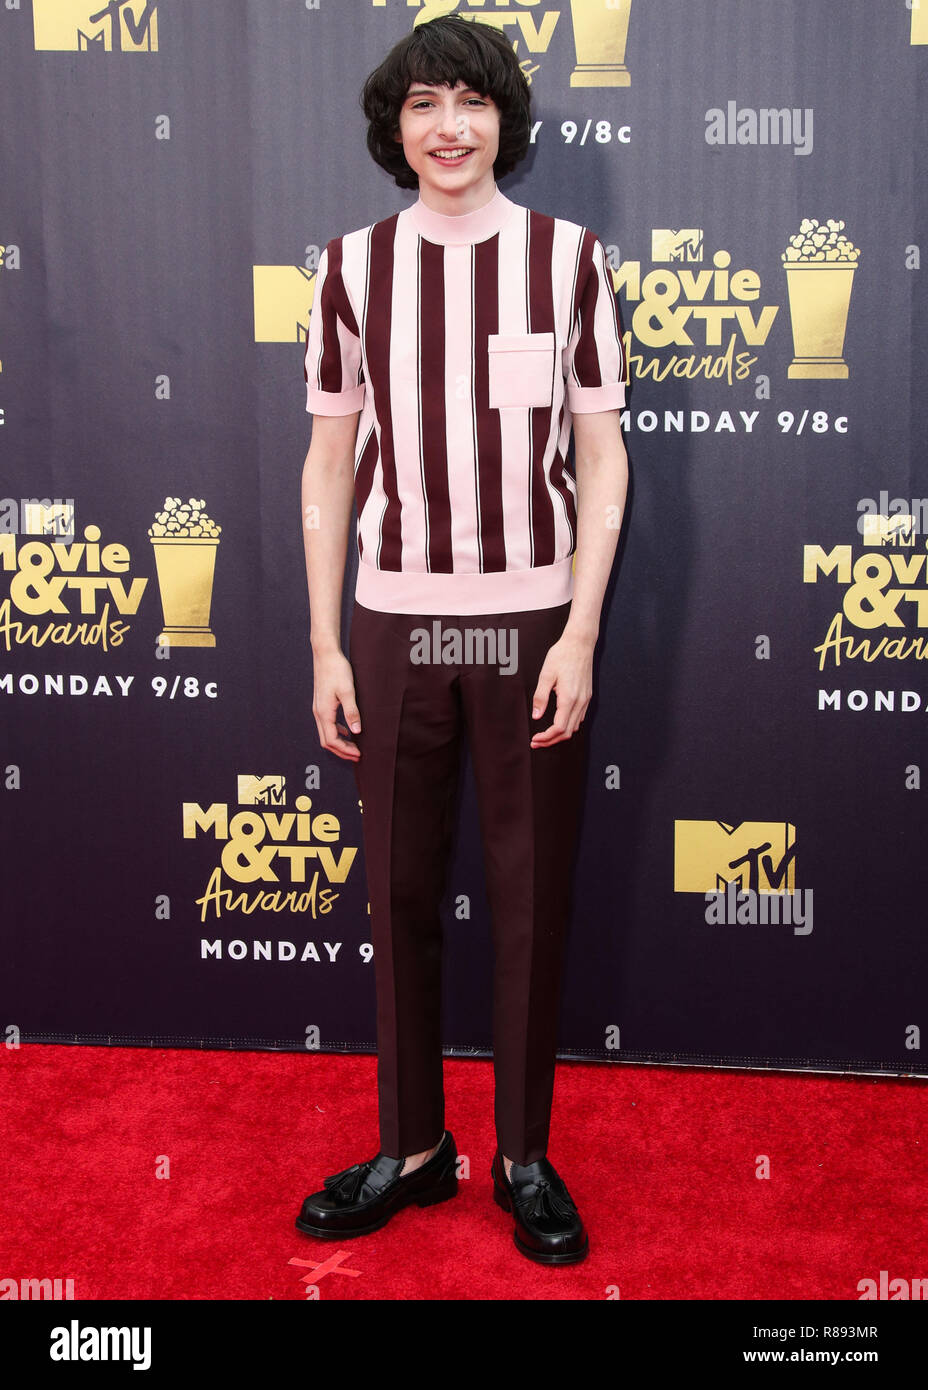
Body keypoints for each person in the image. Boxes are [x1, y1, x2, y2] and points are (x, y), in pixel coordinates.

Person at [295, 14, 628, 1266]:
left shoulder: (569, 261)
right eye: (425, 103)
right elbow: (328, 460)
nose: (449, 126)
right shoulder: (347, 270)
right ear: (396, 128)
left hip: (532, 621)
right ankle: (414, 1148)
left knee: (533, 898)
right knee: (397, 891)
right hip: (392, 624)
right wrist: (326, 646)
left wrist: (582, 626)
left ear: (505, 123)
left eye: (472, 103)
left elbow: (602, 452)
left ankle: (524, 1155)